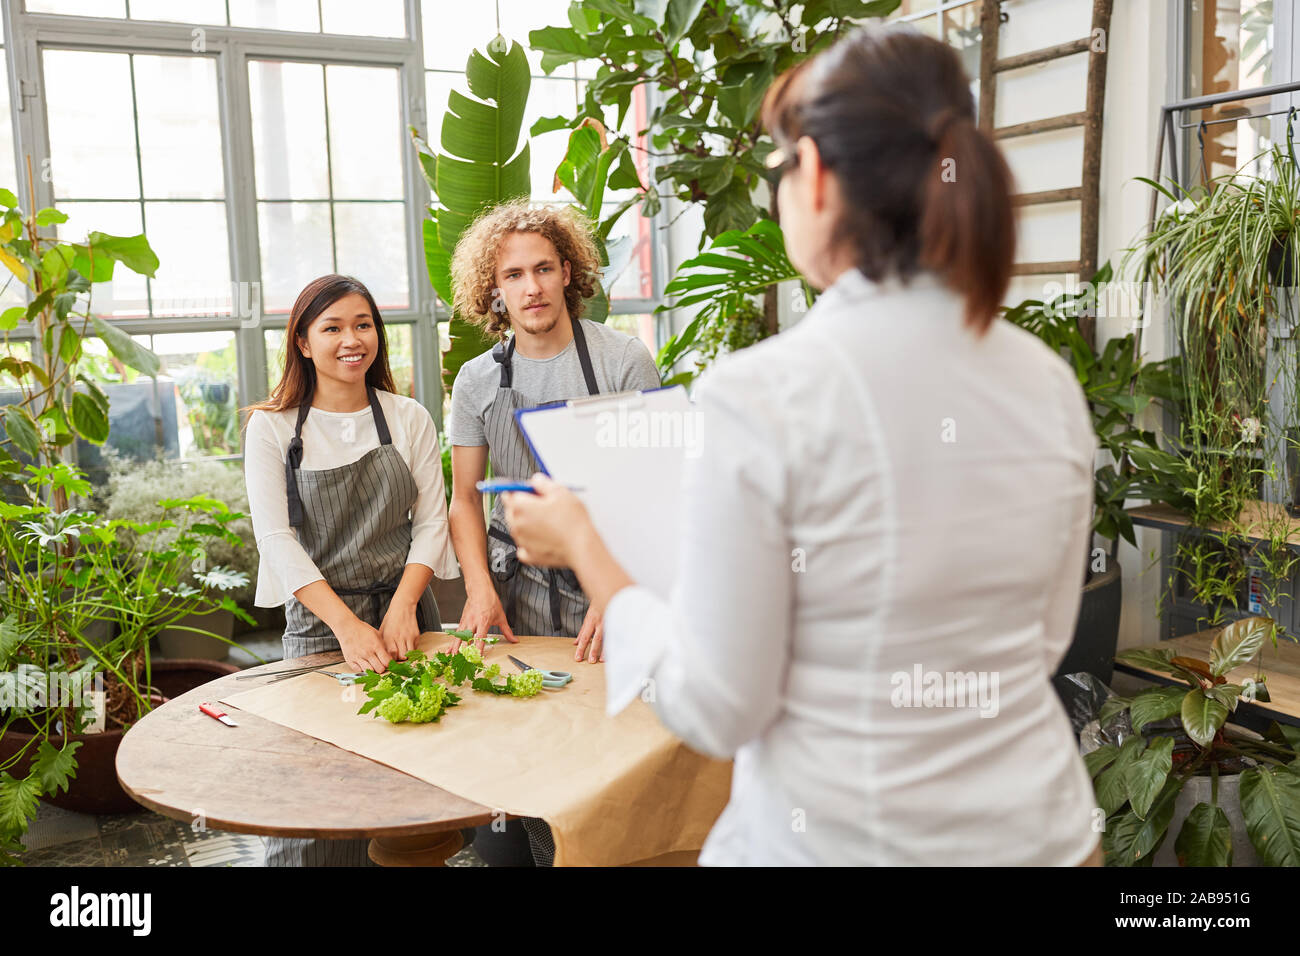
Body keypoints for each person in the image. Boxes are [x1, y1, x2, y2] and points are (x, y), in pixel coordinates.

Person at [503, 25, 1104, 866]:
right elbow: (1040, 640)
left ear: (814, 173)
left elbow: (717, 707)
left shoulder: (766, 396)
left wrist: (584, 548)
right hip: (1041, 837)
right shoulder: (1046, 382)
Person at [444, 200, 660, 865]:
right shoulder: (478, 382)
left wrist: (609, 590)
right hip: (518, 604)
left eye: (543, 268)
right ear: (495, 290)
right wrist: (479, 589)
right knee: (513, 777)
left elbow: (649, 496)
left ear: (569, 272)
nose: (531, 287)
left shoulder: (623, 362)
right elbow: (463, 502)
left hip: (610, 595)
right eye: (513, 275)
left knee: (608, 776)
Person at [243, 274, 460, 867]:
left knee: (412, 774)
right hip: (320, 623)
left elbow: (431, 524)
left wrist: (400, 611)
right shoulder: (273, 427)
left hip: (407, 614)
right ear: (304, 343)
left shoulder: (408, 417)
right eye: (332, 327)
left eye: (363, 324)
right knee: (318, 784)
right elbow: (275, 538)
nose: (351, 339)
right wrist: (346, 627)